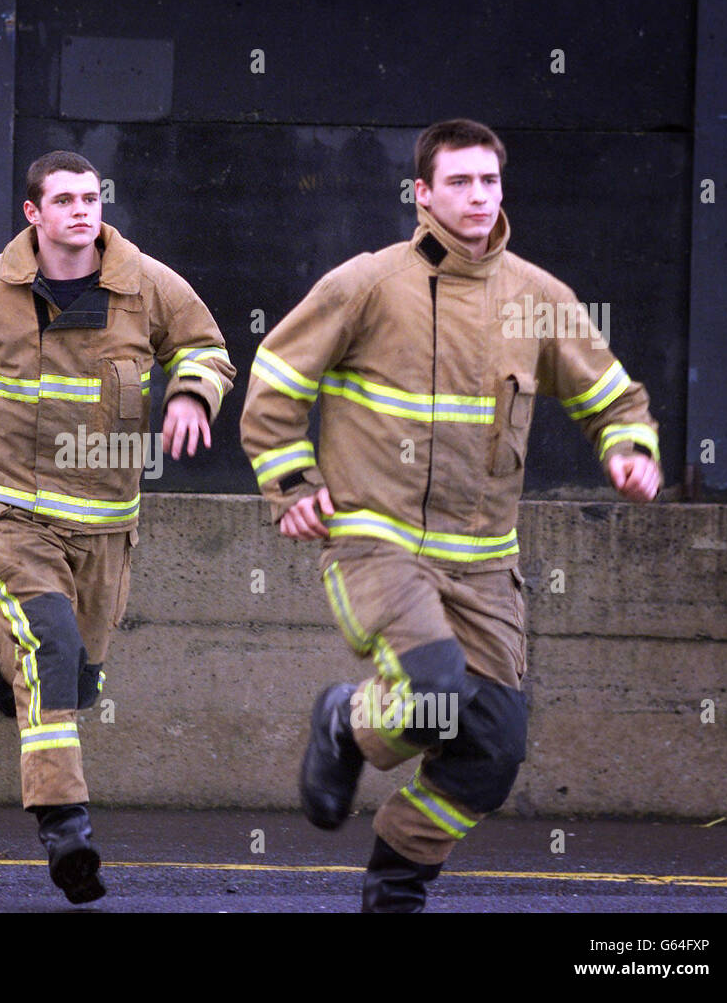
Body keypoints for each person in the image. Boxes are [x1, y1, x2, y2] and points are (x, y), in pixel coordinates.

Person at [240, 119, 660, 912]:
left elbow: (614, 395)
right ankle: (347, 721)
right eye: (459, 182)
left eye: (489, 181)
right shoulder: (368, 283)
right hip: (377, 538)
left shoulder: (538, 297)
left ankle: (396, 885)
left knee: (491, 751)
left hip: (484, 560)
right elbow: (274, 380)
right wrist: (292, 482)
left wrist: (627, 447)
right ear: (422, 193)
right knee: (431, 689)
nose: (477, 197)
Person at [0, 151, 235, 904]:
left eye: (90, 197)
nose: (82, 211)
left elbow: (206, 347)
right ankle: (66, 829)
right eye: (64, 200)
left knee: (74, 679)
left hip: (105, 528)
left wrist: (190, 394)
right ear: (33, 213)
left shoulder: (147, 284)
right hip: (7, 515)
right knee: (51, 646)